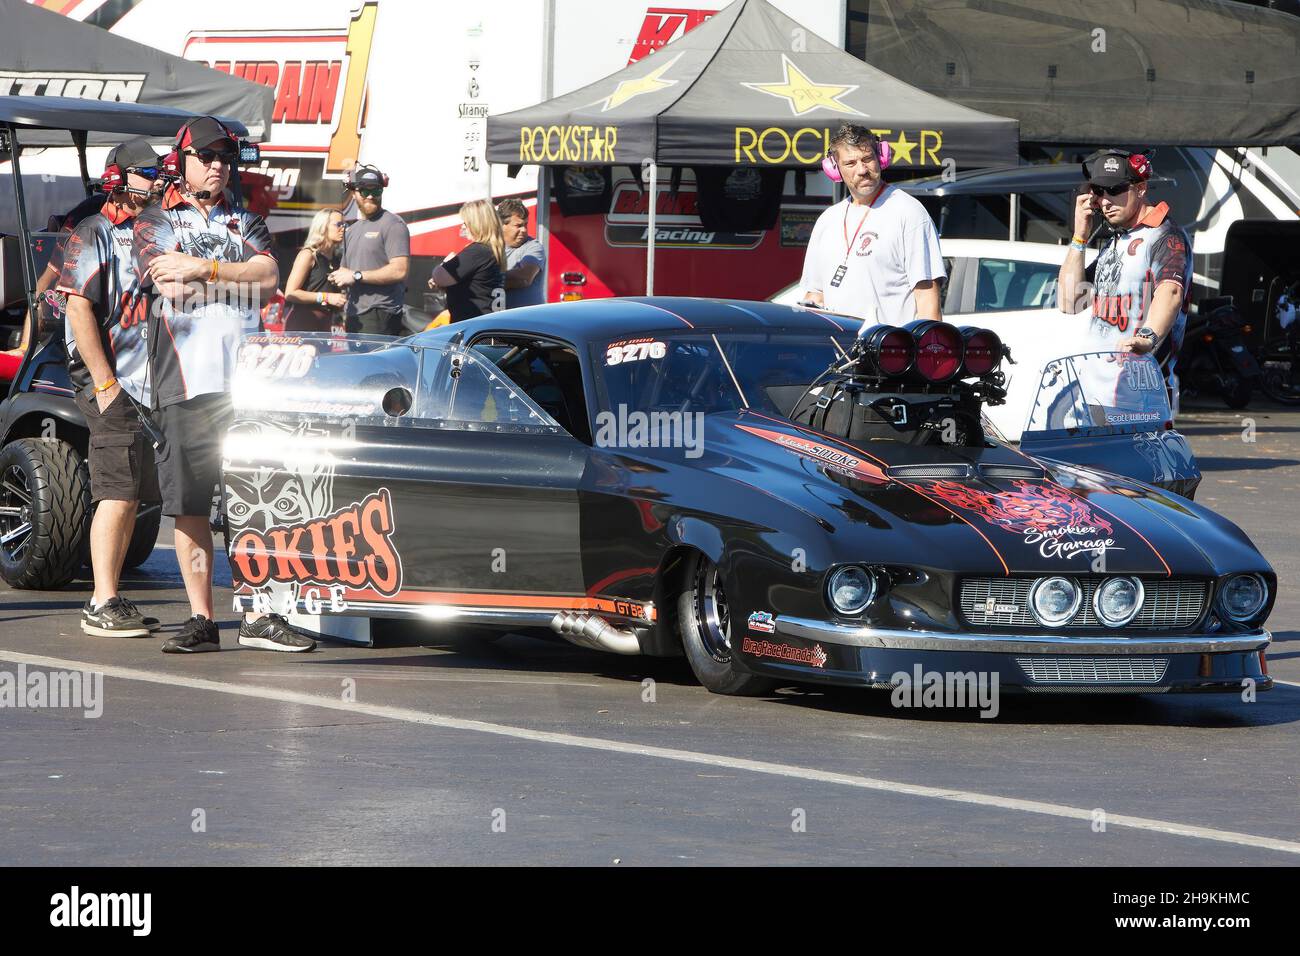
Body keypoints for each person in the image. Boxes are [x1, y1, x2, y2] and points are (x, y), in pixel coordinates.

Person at [133, 115, 317, 654]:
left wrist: (204, 269)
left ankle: (261, 614)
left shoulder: (249, 220)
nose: (217, 166)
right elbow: (168, 284)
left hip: (250, 384)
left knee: (256, 499)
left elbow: (268, 280)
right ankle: (201, 619)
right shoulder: (155, 220)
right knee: (190, 505)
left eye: (224, 158)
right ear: (183, 159)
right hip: (186, 381)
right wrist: (224, 276)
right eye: (207, 157)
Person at [58, 140, 163, 638]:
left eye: (160, 171)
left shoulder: (153, 229)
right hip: (110, 378)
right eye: (146, 172)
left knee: (135, 493)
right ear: (118, 176)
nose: (157, 179)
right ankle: (100, 601)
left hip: (148, 377)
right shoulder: (93, 231)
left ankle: (113, 595)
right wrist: (105, 384)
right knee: (118, 492)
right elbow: (77, 306)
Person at [1057, 148, 1192, 392]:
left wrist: (1148, 338)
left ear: (1141, 188)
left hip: (1142, 393)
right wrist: (1079, 236)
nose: (1106, 201)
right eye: (1098, 191)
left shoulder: (1165, 235)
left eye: (1116, 189)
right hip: (1095, 390)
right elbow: (1069, 301)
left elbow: (1170, 293)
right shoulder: (1117, 241)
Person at [799, 124, 945, 326]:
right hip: (838, 352)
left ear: (881, 158)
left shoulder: (909, 212)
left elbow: (927, 298)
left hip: (890, 352)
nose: (862, 170)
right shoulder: (827, 220)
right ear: (834, 169)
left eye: (867, 159)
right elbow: (814, 295)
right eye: (850, 163)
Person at [328, 164, 409, 335]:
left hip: (380, 313)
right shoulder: (351, 230)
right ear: (354, 192)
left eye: (377, 191)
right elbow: (346, 271)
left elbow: (400, 270)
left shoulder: (393, 224)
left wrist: (356, 276)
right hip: (354, 315)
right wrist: (336, 277)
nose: (371, 196)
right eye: (364, 191)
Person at [428, 199, 505, 323]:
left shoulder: (477, 251)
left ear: (477, 224)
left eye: (466, 222)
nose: (463, 226)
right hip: (487, 325)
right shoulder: (490, 250)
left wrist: (445, 263)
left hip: (475, 327)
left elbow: (439, 276)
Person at [283, 207, 346, 332]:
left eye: (344, 224)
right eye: (338, 224)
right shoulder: (308, 254)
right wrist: (326, 297)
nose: (343, 228)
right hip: (303, 323)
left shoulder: (336, 259)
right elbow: (290, 293)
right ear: (323, 226)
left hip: (326, 322)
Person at [497, 198, 545, 309]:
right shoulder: (490, 248)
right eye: (518, 226)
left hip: (528, 321)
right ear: (501, 226)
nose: (523, 230)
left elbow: (524, 278)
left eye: (525, 224)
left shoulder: (533, 246)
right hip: (500, 319)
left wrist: (487, 280)